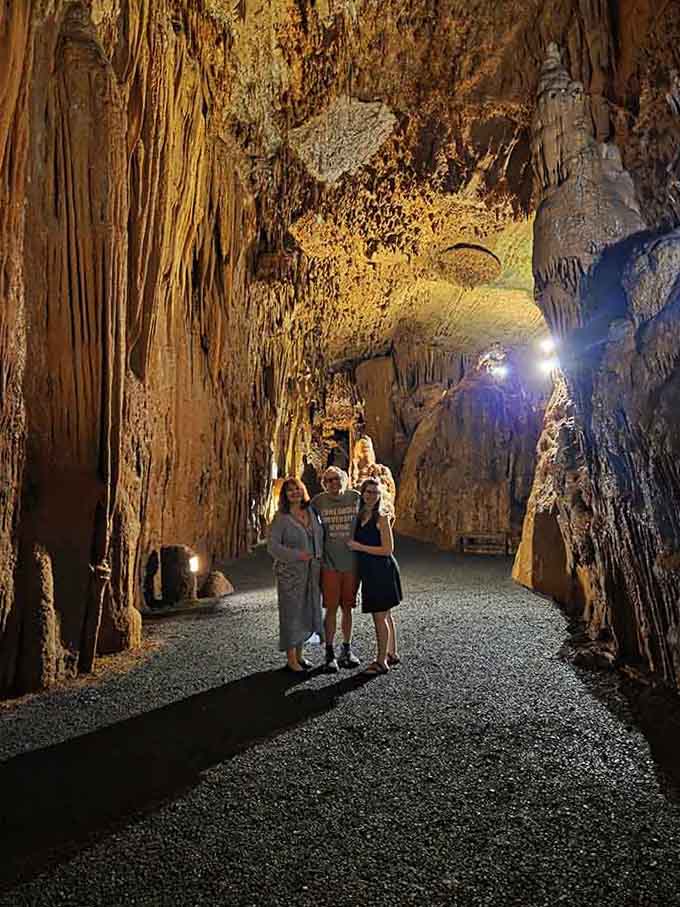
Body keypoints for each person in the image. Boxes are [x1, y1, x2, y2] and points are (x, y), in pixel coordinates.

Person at [267, 477, 324, 673]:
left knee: (305, 612)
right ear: (285, 495)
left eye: (297, 489)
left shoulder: (310, 511)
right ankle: (291, 659)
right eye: (289, 490)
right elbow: (273, 547)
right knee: (291, 614)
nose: (294, 493)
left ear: (303, 490)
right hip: (290, 574)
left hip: (311, 573)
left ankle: (300, 655)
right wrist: (298, 555)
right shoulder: (281, 518)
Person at [348, 478, 402, 675]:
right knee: (385, 614)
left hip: (382, 571)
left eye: (375, 493)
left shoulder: (382, 517)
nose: (371, 496)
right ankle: (392, 653)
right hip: (370, 571)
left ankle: (381, 662)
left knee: (379, 616)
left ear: (380, 495)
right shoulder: (361, 515)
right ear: (362, 493)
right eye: (368, 492)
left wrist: (359, 547)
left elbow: (388, 549)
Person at [311, 466, 361, 672]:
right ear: (324, 484)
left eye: (336, 479)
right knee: (330, 608)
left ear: (344, 479)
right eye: (329, 480)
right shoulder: (318, 502)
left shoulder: (355, 497)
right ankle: (329, 652)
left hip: (351, 564)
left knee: (347, 608)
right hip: (329, 564)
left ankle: (346, 649)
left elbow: (373, 513)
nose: (333, 483)